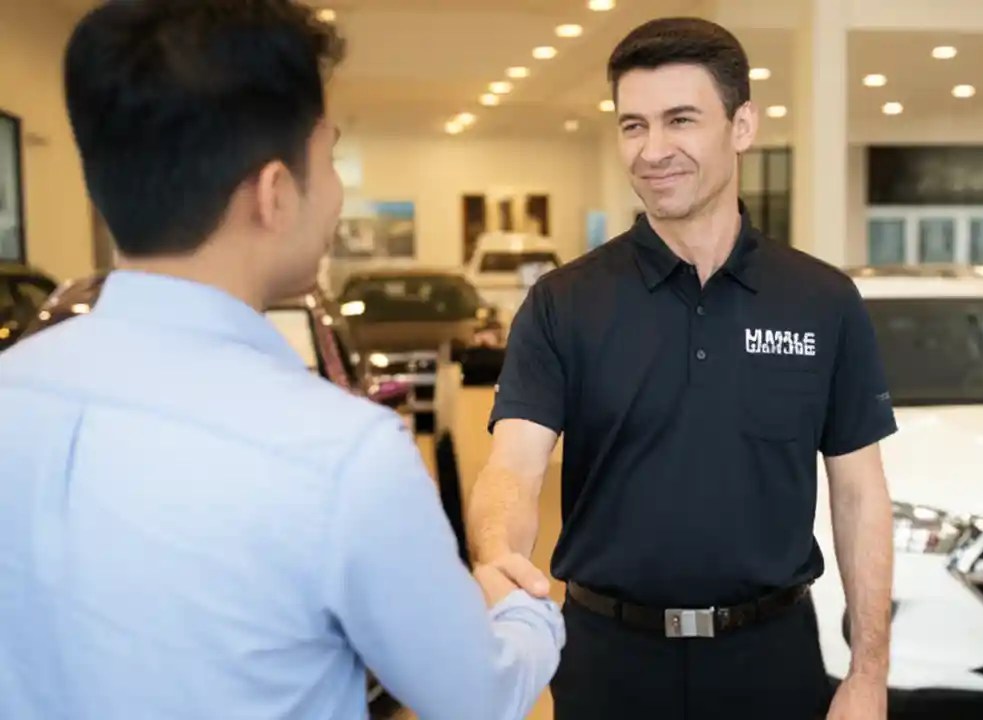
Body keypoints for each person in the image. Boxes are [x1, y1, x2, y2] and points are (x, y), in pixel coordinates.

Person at [0, 2, 562, 719]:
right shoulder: (340, 454)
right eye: (326, 159)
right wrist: (522, 610)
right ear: (273, 194)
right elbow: (476, 696)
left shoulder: (12, 392)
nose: (334, 192)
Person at [468, 16, 897, 720]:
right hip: (610, 661)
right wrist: (497, 553)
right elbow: (514, 465)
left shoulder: (823, 301)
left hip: (773, 659)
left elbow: (859, 495)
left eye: (680, 120)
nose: (652, 150)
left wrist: (869, 672)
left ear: (742, 125)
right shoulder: (563, 302)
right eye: (633, 125)